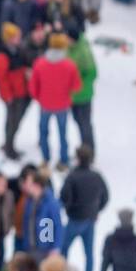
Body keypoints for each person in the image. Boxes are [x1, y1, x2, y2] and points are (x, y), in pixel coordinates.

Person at [29, 32, 82, 170]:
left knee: (43, 132)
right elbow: (77, 86)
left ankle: (45, 159)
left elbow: (33, 85)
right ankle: (63, 160)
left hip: (45, 105)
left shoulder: (40, 63)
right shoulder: (69, 65)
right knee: (62, 134)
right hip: (62, 105)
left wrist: (38, 97)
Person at [59, 145, 109, 271]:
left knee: (63, 249)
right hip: (90, 220)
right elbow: (106, 196)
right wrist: (96, 210)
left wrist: (69, 208)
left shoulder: (72, 176)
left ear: (77, 158)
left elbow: (64, 197)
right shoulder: (97, 176)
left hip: (75, 219)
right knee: (89, 253)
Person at [0, 22, 31, 160]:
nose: (19, 39)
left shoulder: (17, 49)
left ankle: (9, 144)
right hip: (13, 95)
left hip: (21, 91)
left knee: (15, 120)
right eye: (16, 36)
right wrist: (7, 96)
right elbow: (1, 79)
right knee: (12, 121)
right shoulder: (2, 54)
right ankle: (9, 147)